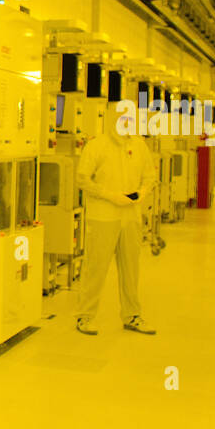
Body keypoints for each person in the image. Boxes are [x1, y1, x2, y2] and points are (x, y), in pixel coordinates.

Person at [74, 102, 158, 336]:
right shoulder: (96, 146)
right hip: (103, 216)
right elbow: (82, 179)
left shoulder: (139, 146)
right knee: (95, 268)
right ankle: (85, 316)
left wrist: (141, 193)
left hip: (131, 216)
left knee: (131, 269)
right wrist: (109, 196)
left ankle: (132, 315)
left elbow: (150, 176)